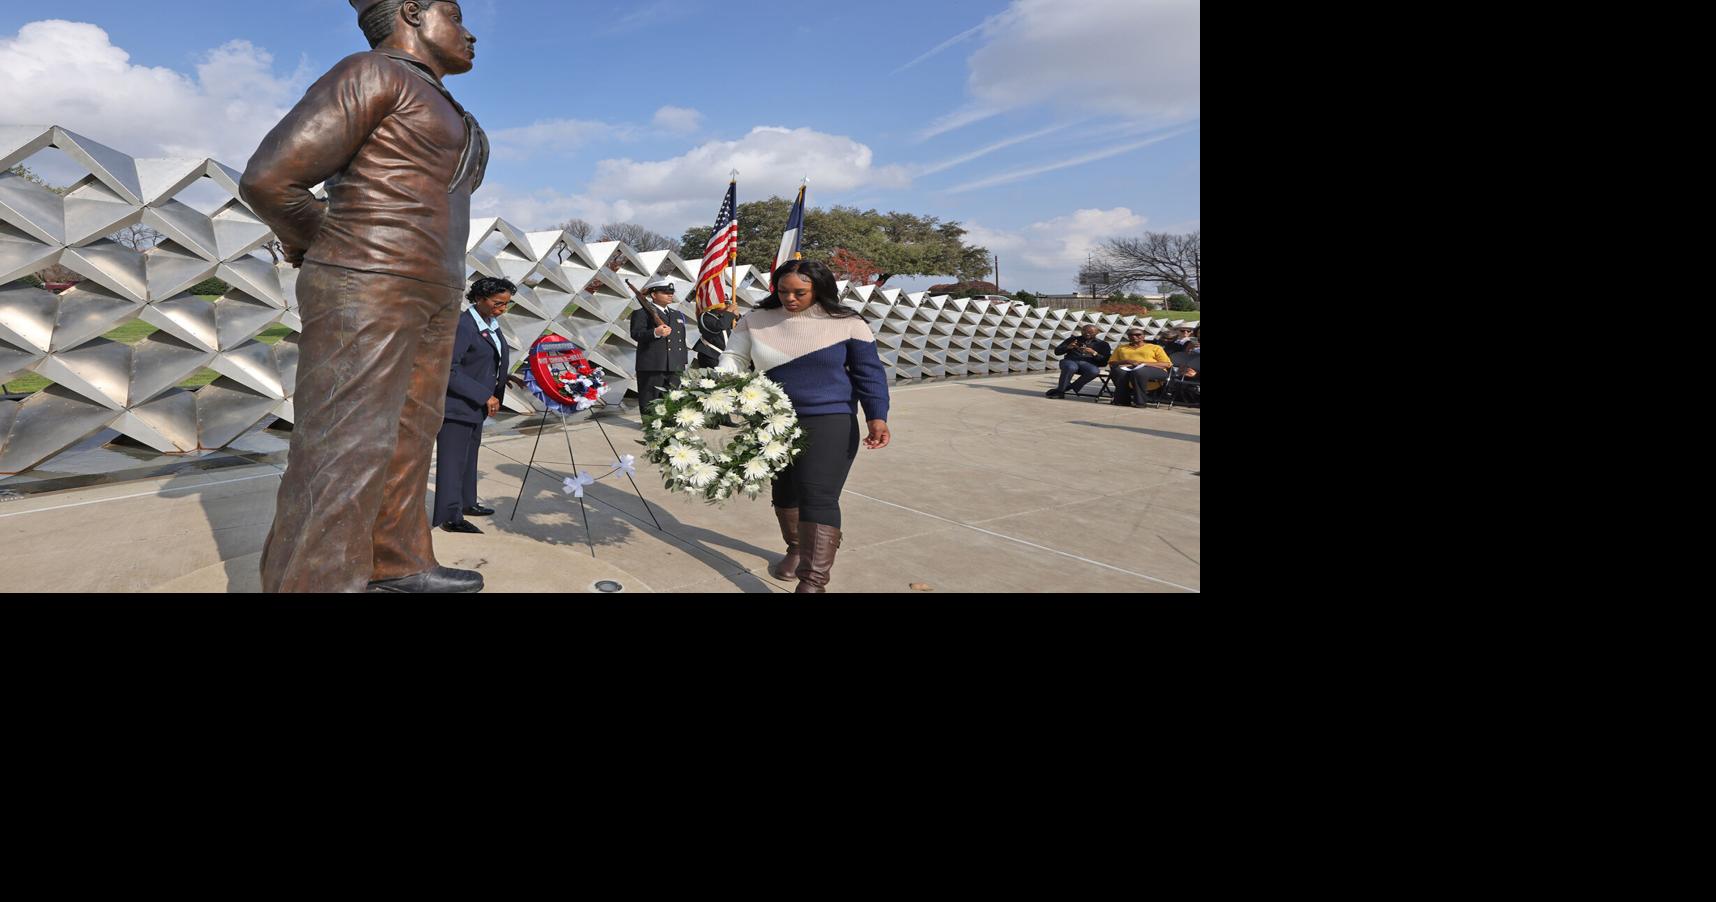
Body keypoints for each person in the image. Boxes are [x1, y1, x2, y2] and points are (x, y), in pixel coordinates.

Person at [240, 0, 489, 594]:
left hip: (434, 284)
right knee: (346, 440)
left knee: (410, 433)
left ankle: (396, 561)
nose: (470, 32)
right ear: (411, 12)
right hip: (367, 280)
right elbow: (271, 180)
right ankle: (314, 583)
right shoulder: (370, 72)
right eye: (454, 14)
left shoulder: (441, 97)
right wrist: (329, 243)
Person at [718, 260, 891, 593]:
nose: (790, 299)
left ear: (820, 289)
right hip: (773, 419)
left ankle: (813, 582)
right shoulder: (756, 320)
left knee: (818, 495)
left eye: (800, 292)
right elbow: (735, 358)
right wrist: (719, 387)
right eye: (783, 291)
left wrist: (876, 416)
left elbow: (869, 373)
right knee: (785, 491)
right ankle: (797, 547)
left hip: (830, 418)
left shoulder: (848, 322)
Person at [434, 276, 512, 534]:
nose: (501, 309)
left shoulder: (490, 322)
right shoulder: (464, 325)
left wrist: (506, 378)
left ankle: (467, 502)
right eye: (497, 303)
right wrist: (483, 395)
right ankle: (449, 516)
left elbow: (485, 359)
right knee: (452, 462)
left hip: (475, 406)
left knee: (469, 458)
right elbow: (449, 369)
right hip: (458, 405)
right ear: (479, 298)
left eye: (505, 304)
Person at [630, 275, 688, 411]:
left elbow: (681, 341)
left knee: (672, 398)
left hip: (674, 364)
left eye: (671, 293)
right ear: (654, 294)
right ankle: (651, 426)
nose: (670, 295)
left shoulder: (677, 314)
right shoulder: (642, 313)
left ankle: (668, 426)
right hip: (653, 364)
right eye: (665, 293)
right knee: (650, 398)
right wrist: (655, 332)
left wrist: (682, 362)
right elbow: (636, 334)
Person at [1106, 328, 1174, 407]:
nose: (1134, 337)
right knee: (1118, 371)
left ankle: (1140, 402)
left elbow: (1166, 364)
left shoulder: (1155, 348)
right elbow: (1112, 363)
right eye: (1131, 335)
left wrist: (1143, 363)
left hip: (1154, 369)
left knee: (1139, 372)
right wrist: (1127, 361)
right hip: (1129, 368)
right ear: (1128, 337)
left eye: (1138, 335)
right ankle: (1122, 400)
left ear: (1143, 336)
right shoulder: (1121, 348)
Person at [1045, 325, 1112, 398]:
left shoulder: (1103, 344)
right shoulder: (1072, 339)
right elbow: (1057, 352)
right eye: (1084, 331)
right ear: (1081, 331)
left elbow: (1105, 361)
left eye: (1090, 332)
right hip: (1070, 361)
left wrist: (1094, 353)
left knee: (1094, 371)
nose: (1087, 334)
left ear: (1097, 333)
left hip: (1088, 364)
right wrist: (1067, 347)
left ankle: (1068, 387)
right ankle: (1060, 393)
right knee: (1070, 367)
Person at [695, 301, 738, 369]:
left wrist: (735, 316)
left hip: (724, 356)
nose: (728, 305)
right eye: (725, 303)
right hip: (710, 355)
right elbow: (720, 325)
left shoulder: (724, 316)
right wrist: (729, 311)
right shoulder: (705, 316)